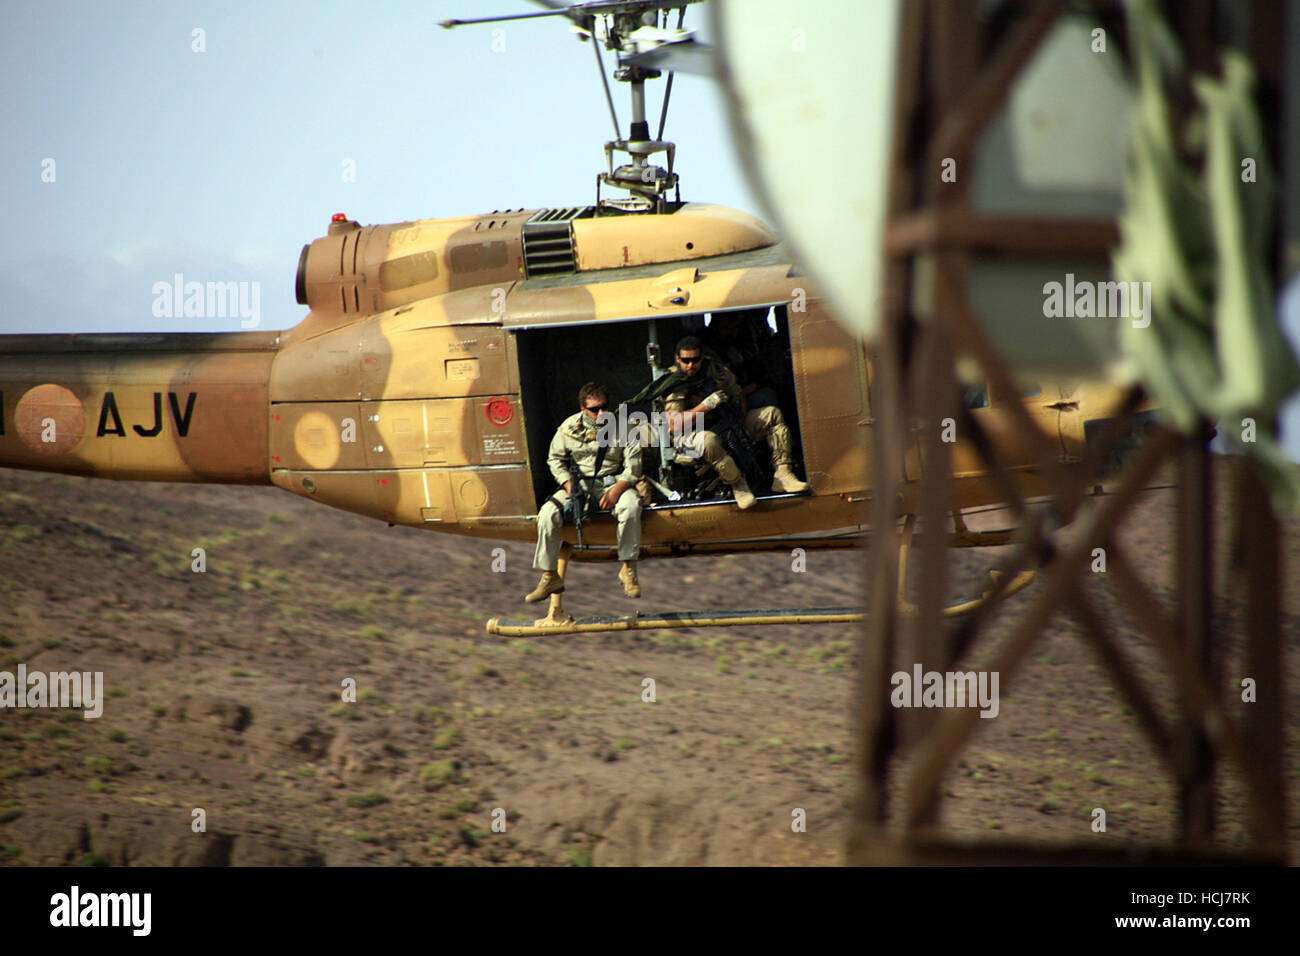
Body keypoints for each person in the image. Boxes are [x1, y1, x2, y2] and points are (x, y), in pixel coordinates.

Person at [634, 336, 810, 509]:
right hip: (689, 435)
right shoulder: (674, 382)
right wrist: (706, 405)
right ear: (678, 358)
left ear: (702, 357)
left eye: (695, 360)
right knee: (708, 441)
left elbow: (739, 394)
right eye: (686, 360)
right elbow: (675, 424)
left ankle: (783, 474)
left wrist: (738, 422)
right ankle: (738, 484)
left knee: (772, 414)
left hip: (725, 423)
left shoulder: (716, 371)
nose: (690, 365)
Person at [527, 382, 643, 603]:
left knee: (631, 507)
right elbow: (555, 460)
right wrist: (568, 485)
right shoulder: (568, 428)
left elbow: (634, 467)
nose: (602, 413)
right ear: (582, 409)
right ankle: (550, 575)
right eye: (595, 409)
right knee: (547, 515)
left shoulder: (624, 427)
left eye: (605, 407)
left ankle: (628, 568)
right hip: (578, 486)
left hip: (612, 483)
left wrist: (617, 490)